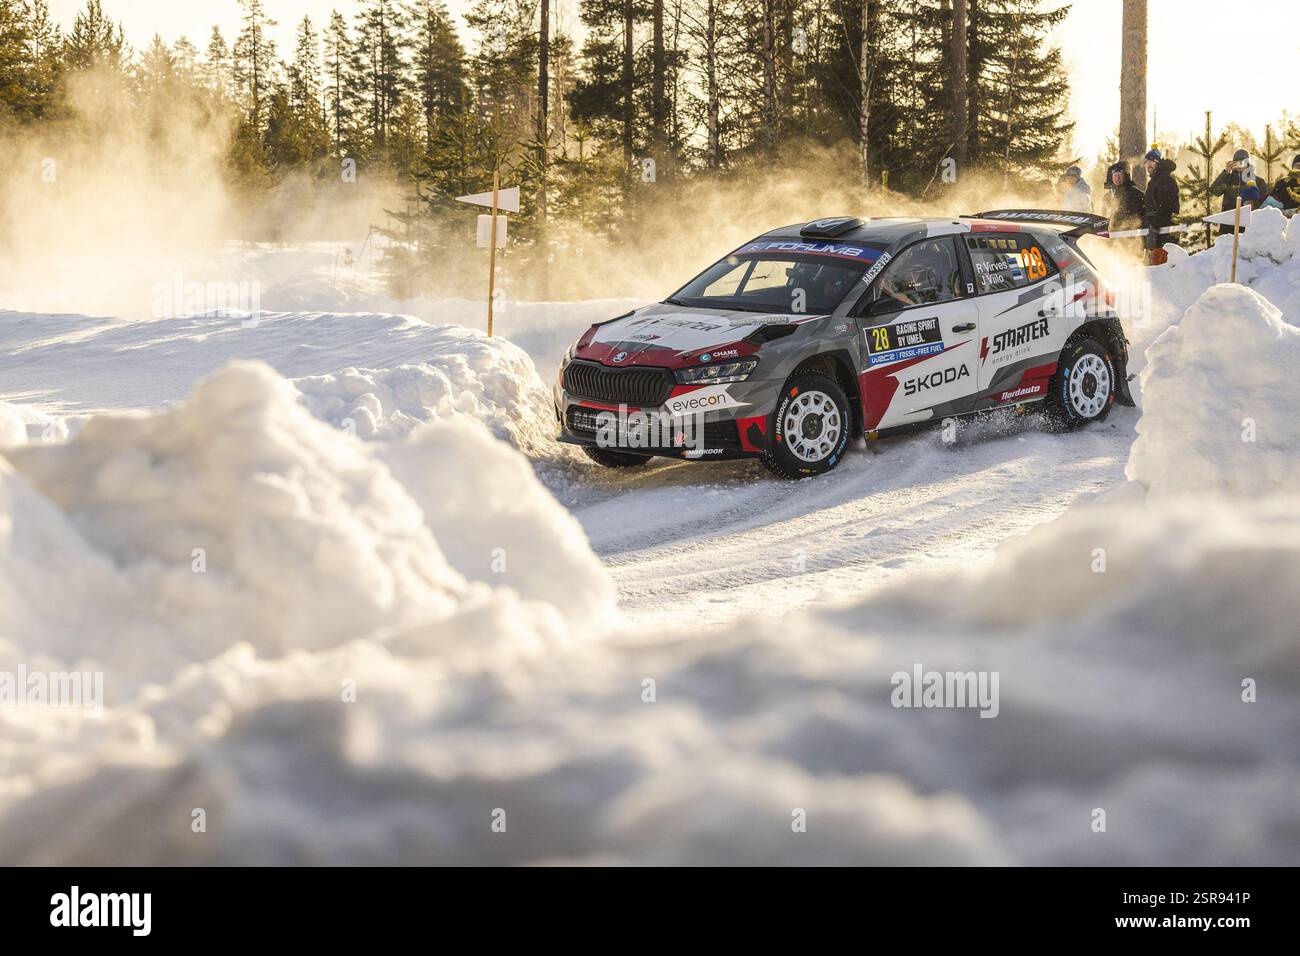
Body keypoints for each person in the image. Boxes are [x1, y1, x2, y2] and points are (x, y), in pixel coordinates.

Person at [1210, 148, 1268, 235]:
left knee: (1246, 247)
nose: (1240, 164)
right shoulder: (1227, 179)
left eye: (1243, 161)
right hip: (1228, 222)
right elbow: (1214, 191)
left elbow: (1264, 202)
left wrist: (1253, 204)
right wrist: (1226, 172)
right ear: (1232, 163)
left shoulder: (1258, 181)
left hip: (1248, 221)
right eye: (1237, 162)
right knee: (1226, 247)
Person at [1141, 149, 1180, 266]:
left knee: (1161, 267)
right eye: (1146, 163)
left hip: (1164, 233)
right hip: (1154, 230)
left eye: (1152, 163)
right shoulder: (1153, 181)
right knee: (1153, 265)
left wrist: (1154, 227)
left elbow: (1165, 207)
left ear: (1158, 163)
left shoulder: (1165, 180)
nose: (1149, 166)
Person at [1103, 161, 1146, 230]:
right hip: (1112, 232)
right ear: (1111, 178)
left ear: (1125, 176)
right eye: (1115, 175)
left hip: (1132, 232)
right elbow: (1103, 215)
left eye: (1120, 175)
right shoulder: (1107, 196)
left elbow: (1142, 214)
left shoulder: (1136, 194)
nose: (1118, 178)